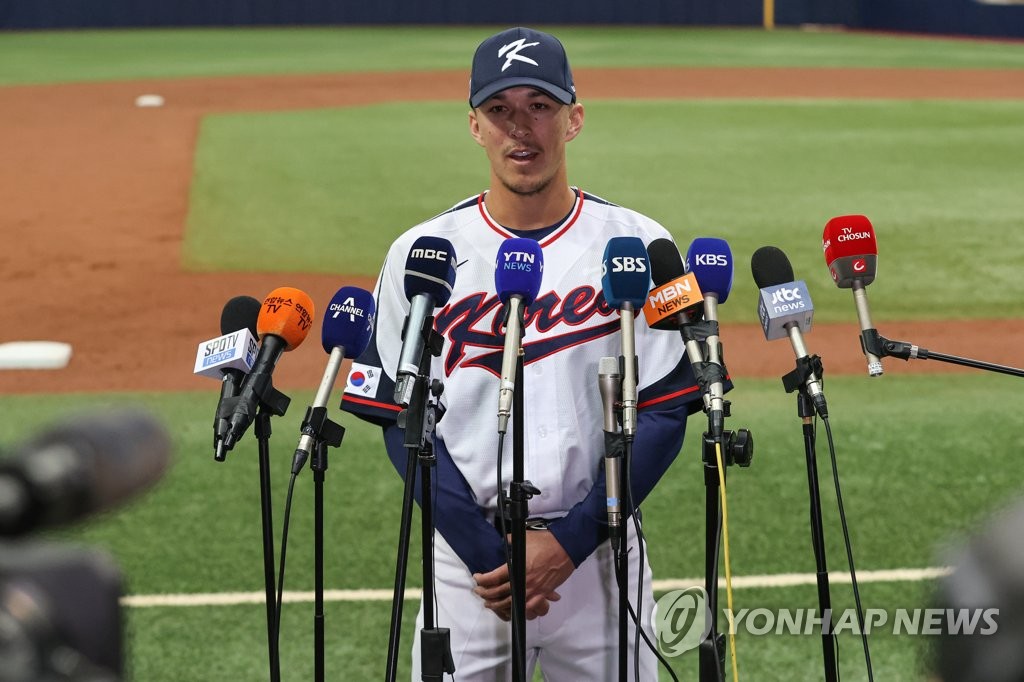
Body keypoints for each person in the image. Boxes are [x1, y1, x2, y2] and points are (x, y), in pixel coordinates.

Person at [342, 26, 705, 680]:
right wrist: (488, 555)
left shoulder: (640, 243)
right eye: (499, 109)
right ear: (474, 126)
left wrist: (569, 544)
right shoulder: (420, 254)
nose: (520, 128)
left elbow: (666, 409)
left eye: (540, 106)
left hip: (601, 557)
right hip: (467, 570)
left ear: (574, 119)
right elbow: (401, 418)